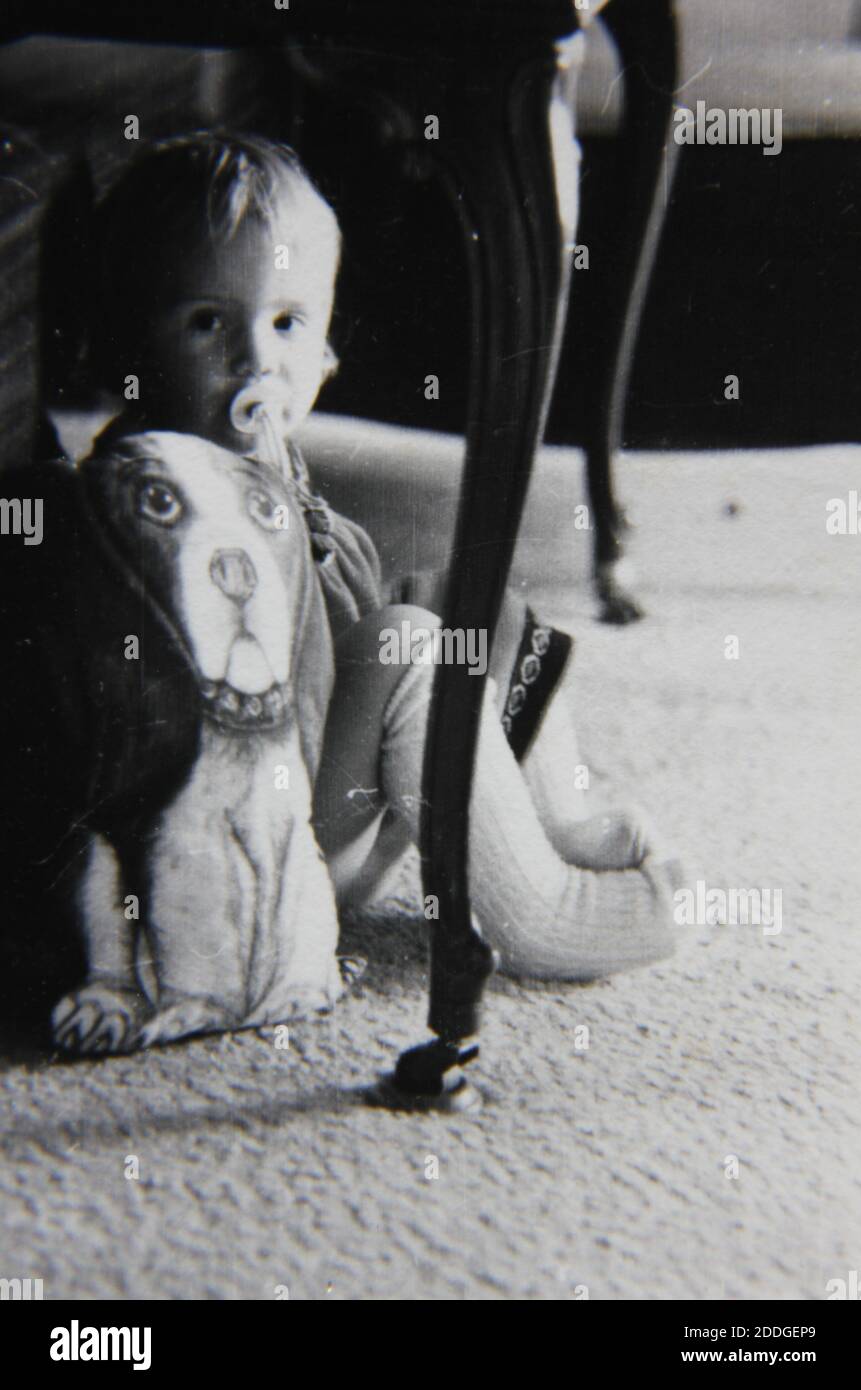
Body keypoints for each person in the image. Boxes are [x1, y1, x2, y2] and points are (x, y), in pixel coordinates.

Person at [83, 130, 680, 984]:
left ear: (325, 350)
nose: (258, 360)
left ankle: (566, 825)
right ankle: (546, 913)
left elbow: (313, 640)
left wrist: (354, 596)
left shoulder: (266, 460)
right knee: (407, 643)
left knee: (466, 603)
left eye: (288, 323)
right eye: (208, 323)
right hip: (258, 848)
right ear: (132, 346)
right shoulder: (147, 486)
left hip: (334, 808)